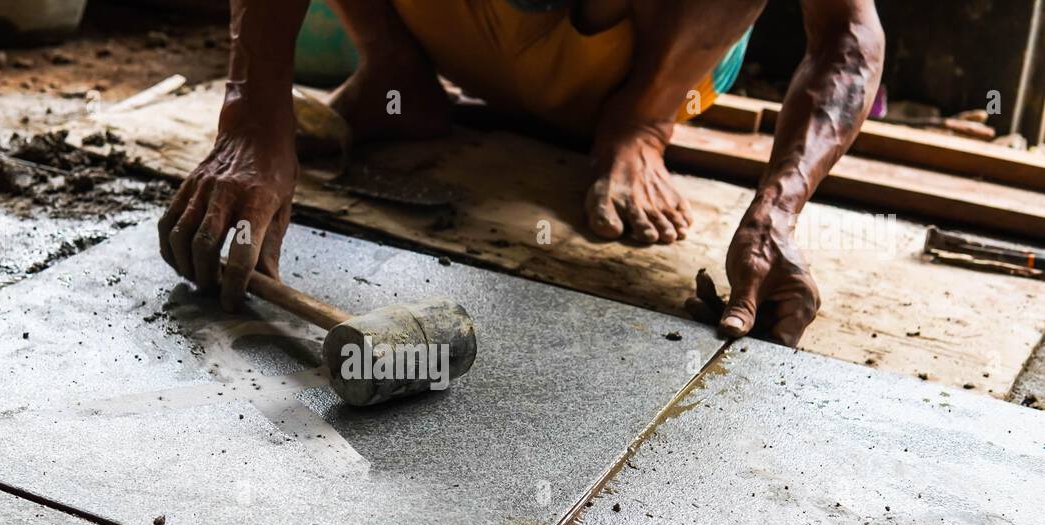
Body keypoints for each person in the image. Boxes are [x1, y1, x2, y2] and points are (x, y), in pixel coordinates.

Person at [158, 0, 884, 347]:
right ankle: (394, 71)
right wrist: (252, 123)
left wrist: (775, 215)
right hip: (464, 30)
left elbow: (849, 35)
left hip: (634, 61)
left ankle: (638, 123)